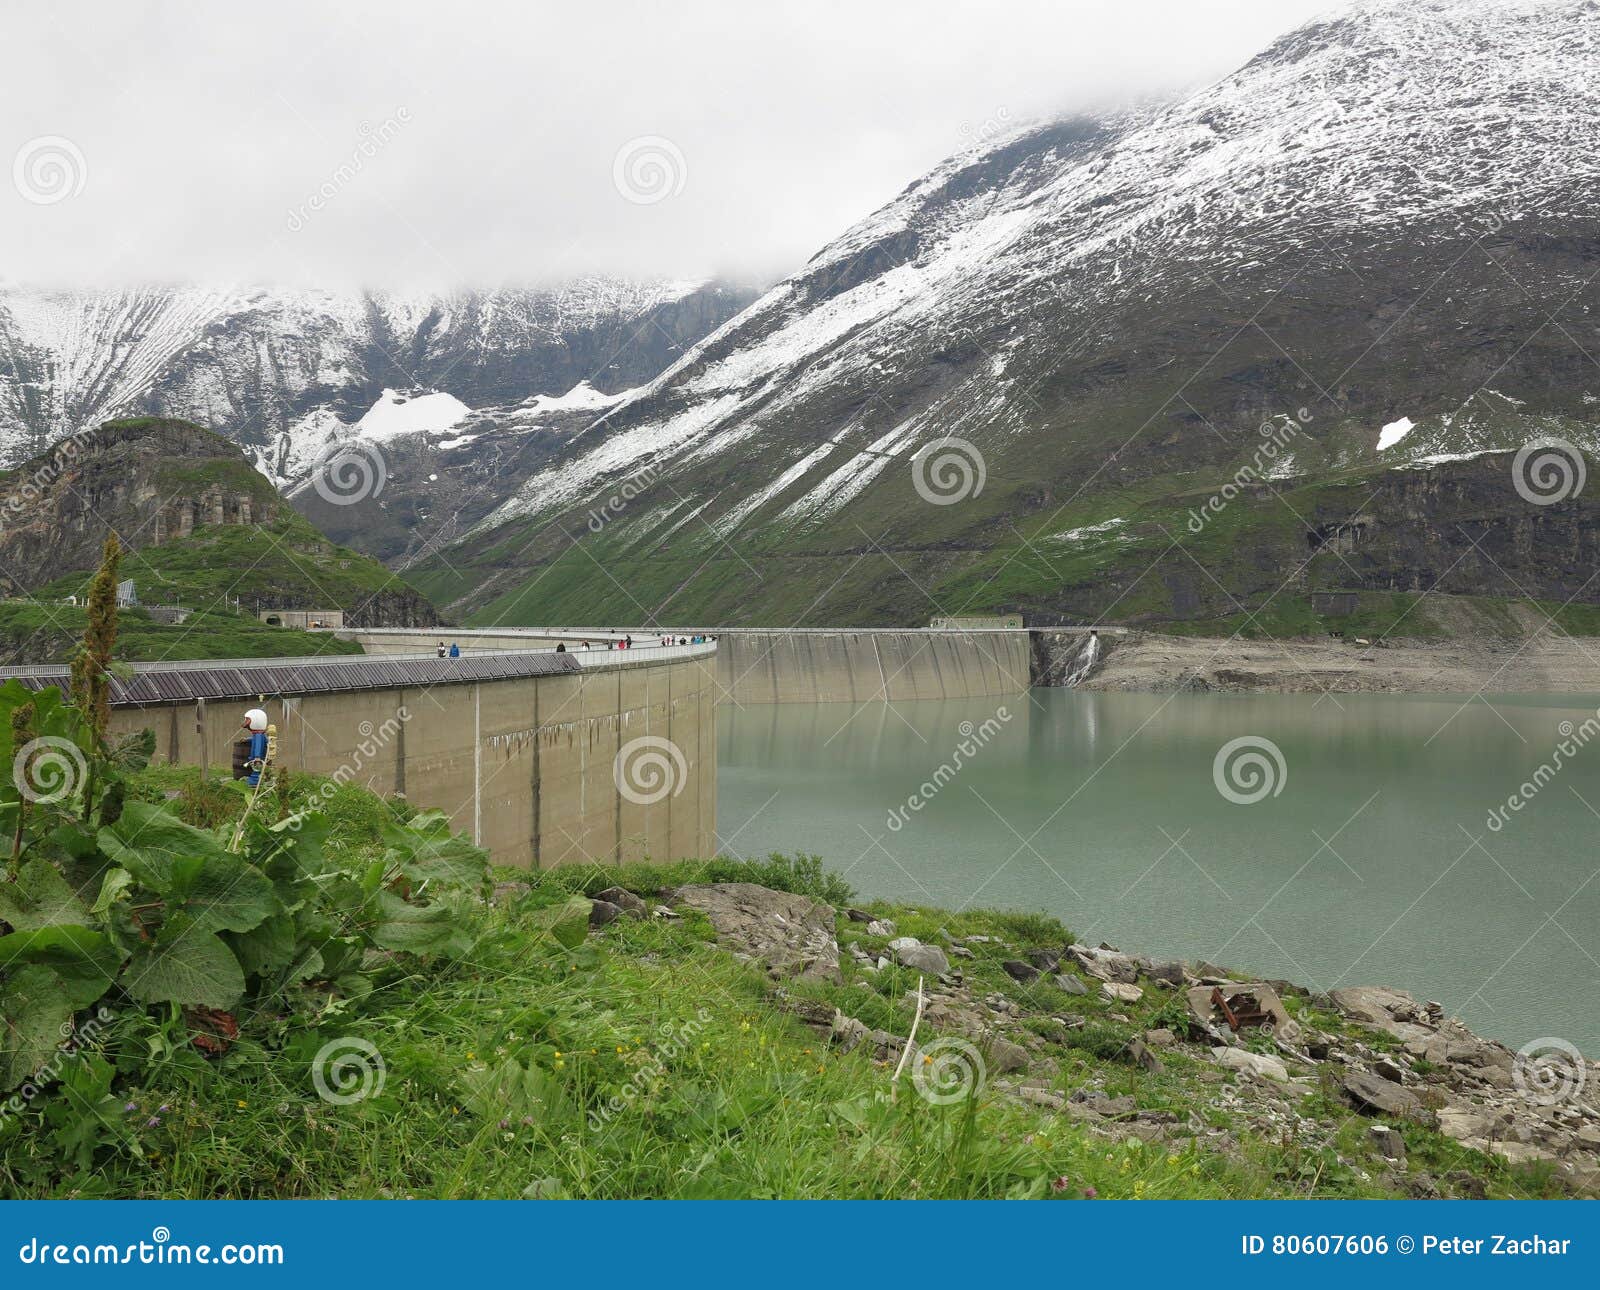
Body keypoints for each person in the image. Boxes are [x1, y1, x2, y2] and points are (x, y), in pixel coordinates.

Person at [241, 708, 269, 787]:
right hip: (256, 758)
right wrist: (247, 739)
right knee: (256, 768)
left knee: (257, 768)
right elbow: (255, 739)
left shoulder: (259, 735)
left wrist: (257, 757)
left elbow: (258, 746)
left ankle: (256, 779)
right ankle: (258, 777)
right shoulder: (258, 735)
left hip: (257, 758)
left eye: (248, 720)